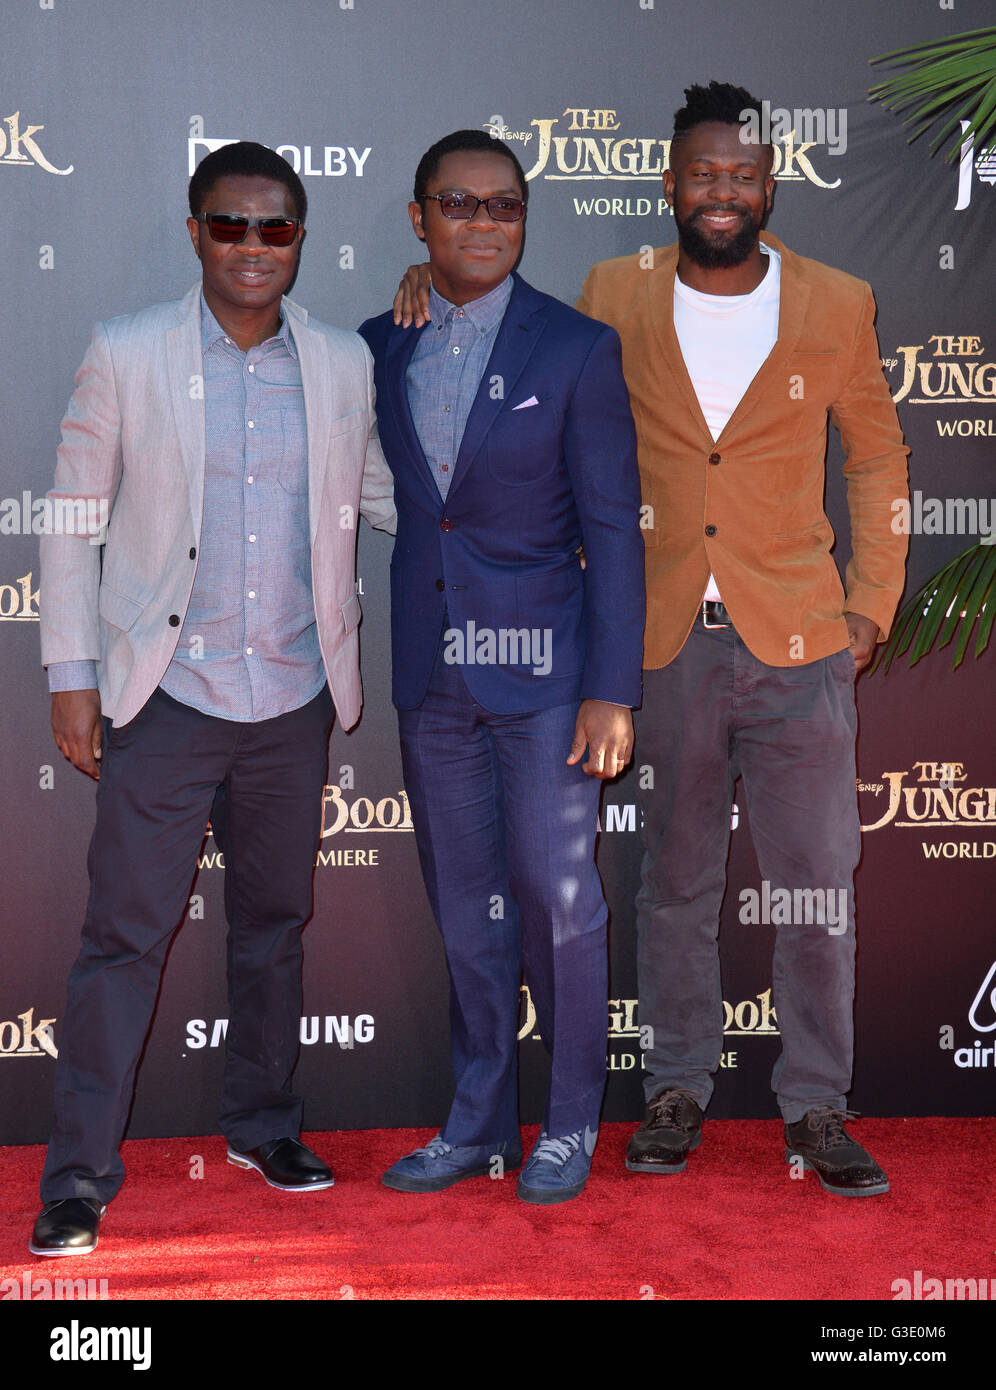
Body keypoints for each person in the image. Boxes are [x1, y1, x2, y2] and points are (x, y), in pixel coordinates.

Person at [32, 140, 395, 1256]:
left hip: (292, 693)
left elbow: (387, 496)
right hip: (166, 695)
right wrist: (71, 674)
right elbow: (69, 519)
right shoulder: (129, 351)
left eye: (273, 228)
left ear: (299, 238)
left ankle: (261, 1123)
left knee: (275, 927)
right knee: (123, 937)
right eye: (229, 226)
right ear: (195, 231)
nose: (252, 246)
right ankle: (80, 1175)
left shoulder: (340, 362)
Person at [576, 82, 909, 1195]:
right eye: (702, 174)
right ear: (670, 185)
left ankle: (816, 1106)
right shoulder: (613, 294)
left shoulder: (836, 301)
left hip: (802, 640)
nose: (722, 192)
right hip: (667, 643)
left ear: (771, 184)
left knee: (817, 886)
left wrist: (873, 601)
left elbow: (875, 453)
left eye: (742, 175)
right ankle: (675, 1086)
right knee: (673, 881)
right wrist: (432, 284)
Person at [361, 129, 644, 1204]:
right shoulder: (381, 343)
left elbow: (615, 527)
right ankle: (478, 1121)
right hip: (433, 678)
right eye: (459, 205)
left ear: (525, 218)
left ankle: (568, 1124)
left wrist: (613, 687)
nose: (483, 225)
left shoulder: (576, 347)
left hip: (549, 678)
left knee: (559, 899)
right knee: (466, 904)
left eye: (504, 207)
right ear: (419, 217)